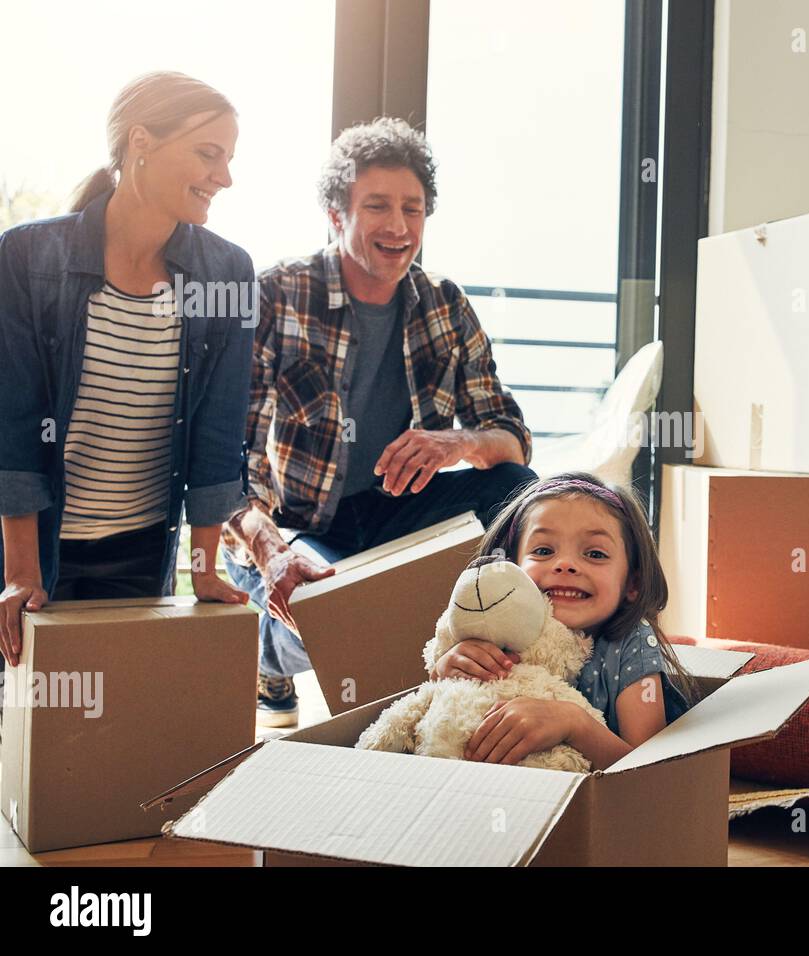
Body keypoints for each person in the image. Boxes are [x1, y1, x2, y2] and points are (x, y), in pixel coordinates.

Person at [222, 117, 535, 728]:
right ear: (336, 215)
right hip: (295, 526)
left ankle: (455, 643)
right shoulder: (277, 295)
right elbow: (229, 468)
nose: (398, 227)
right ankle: (265, 656)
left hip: (393, 514)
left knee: (523, 490)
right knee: (327, 623)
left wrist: (457, 443)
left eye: (412, 209)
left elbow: (512, 439)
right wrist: (270, 551)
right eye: (377, 206)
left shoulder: (444, 303)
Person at [0, 71, 255, 671]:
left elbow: (218, 432)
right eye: (207, 154)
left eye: (229, 158)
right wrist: (20, 573)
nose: (224, 176)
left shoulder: (227, 273)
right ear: (141, 140)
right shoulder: (28, 257)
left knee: (112, 723)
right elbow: (13, 421)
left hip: (141, 551)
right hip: (33, 544)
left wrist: (203, 569)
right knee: (25, 723)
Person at [433, 472, 696, 770]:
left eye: (595, 554)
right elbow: (439, 710)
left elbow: (652, 773)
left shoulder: (631, 642)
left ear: (632, 584)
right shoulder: (495, 624)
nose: (565, 565)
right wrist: (449, 670)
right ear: (509, 568)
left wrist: (573, 723)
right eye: (544, 551)